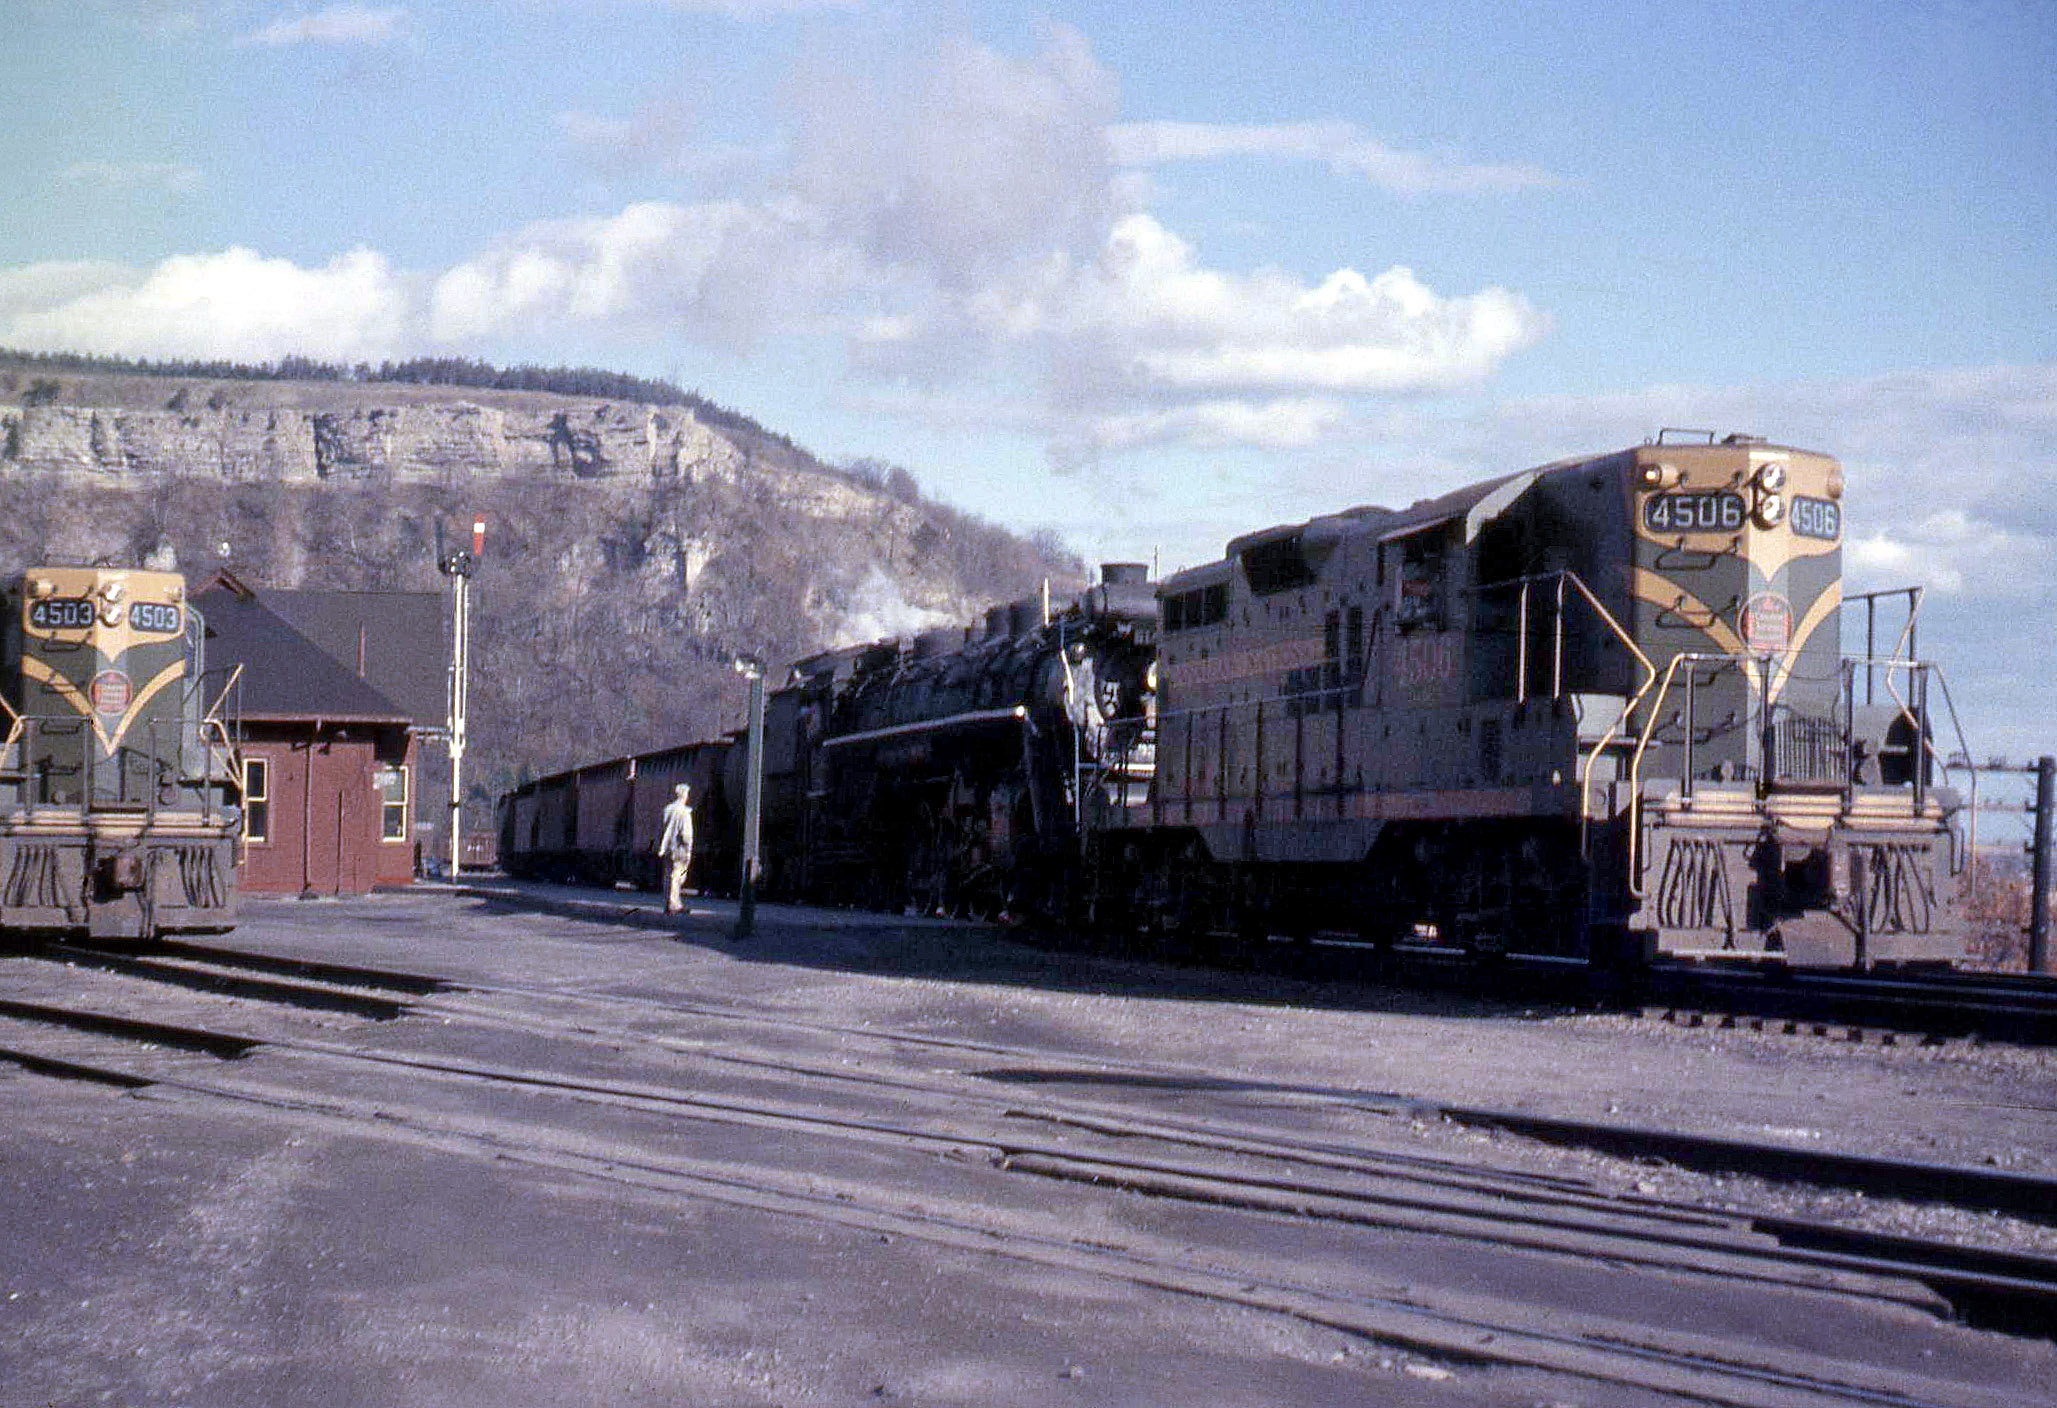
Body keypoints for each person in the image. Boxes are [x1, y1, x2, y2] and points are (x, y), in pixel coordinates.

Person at [658, 783, 694, 914]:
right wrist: (688, 849)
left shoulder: (667, 809)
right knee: (677, 876)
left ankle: (669, 902)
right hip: (679, 849)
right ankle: (674, 904)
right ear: (684, 795)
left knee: (668, 875)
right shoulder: (684, 812)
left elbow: (662, 828)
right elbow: (686, 835)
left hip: (667, 847)